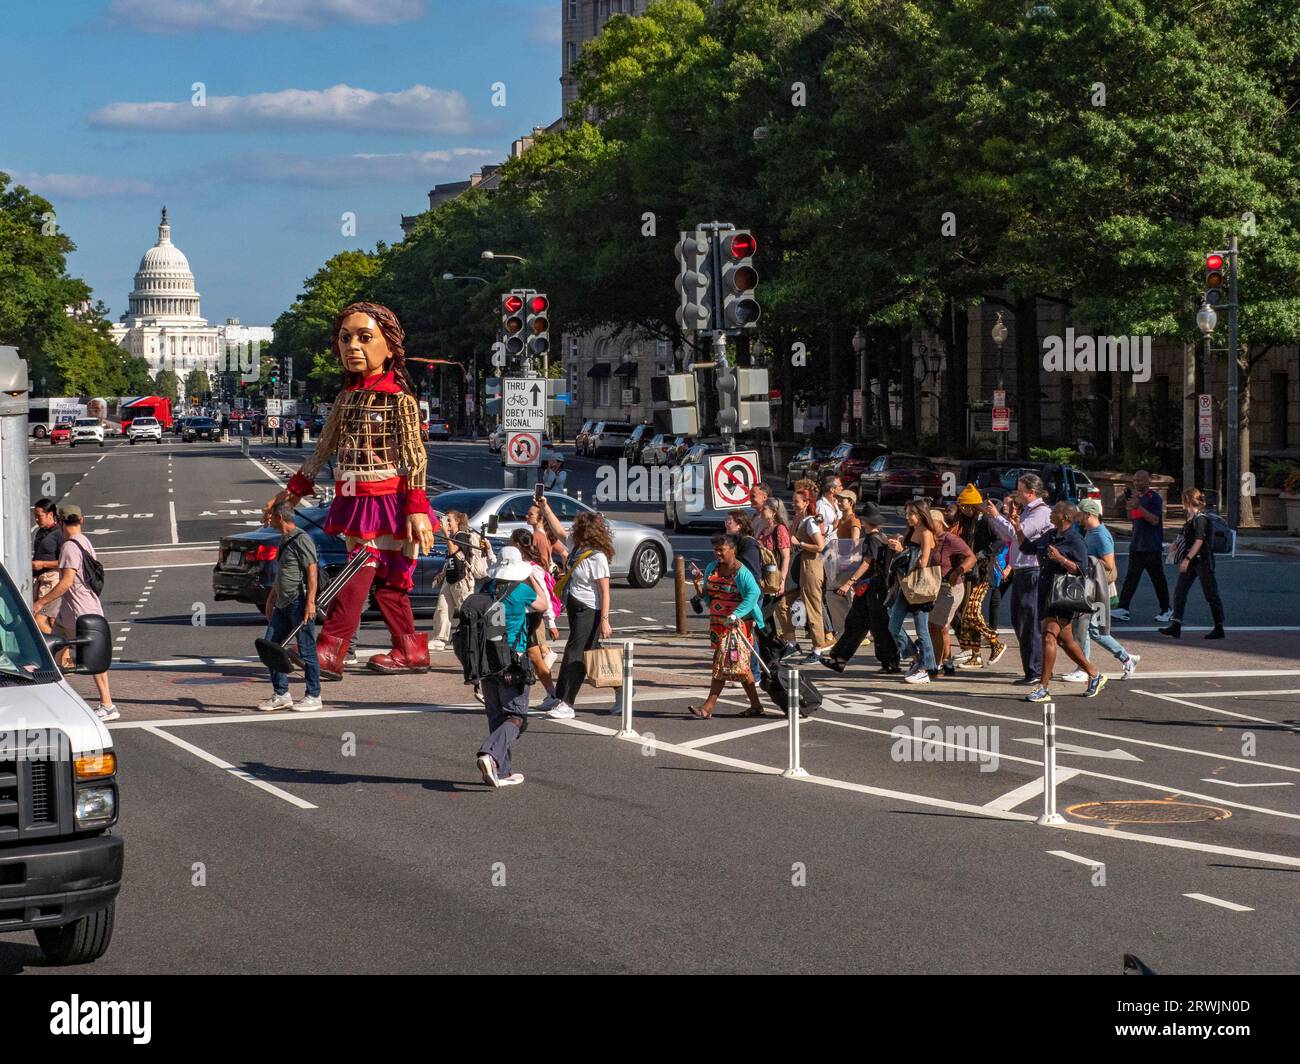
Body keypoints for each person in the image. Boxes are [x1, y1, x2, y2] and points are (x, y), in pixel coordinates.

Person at [265, 302, 439, 679]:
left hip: (389, 500)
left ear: (389, 346)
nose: (352, 347)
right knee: (389, 584)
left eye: (364, 337)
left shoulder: (400, 400)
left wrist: (416, 508)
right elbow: (322, 450)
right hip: (354, 497)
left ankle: (330, 647)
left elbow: (415, 457)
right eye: (345, 338)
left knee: (361, 568)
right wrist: (292, 493)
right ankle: (410, 650)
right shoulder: (345, 398)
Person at [1014, 501, 1106, 702]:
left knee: (1048, 636)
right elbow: (1027, 548)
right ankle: (1094, 673)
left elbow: (1082, 570)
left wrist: (1061, 559)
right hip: (1046, 592)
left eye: (1055, 511)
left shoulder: (1075, 540)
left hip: (1063, 595)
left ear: (1065, 517)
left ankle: (1044, 687)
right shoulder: (1050, 535)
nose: (1051, 513)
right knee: (1066, 641)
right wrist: (1017, 527)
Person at [32, 505, 117, 721]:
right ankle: (54, 700)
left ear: (60, 522)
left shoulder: (69, 547)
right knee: (52, 653)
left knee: (89, 658)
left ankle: (107, 704)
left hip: (79, 612)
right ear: (81, 519)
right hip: (73, 611)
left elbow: (66, 582)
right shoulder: (84, 540)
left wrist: (41, 602)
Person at [476, 546, 549, 788]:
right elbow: (544, 604)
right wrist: (532, 577)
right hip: (512, 660)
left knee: (497, 716)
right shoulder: (521, 590)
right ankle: (490, 754)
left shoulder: (486, 588)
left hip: (486, 660)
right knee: (516, 717)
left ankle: (502, 770)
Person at [536, 504, 614, 719]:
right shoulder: (577, 547)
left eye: (576, 526)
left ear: (585, 531)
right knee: (591, 654)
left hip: (590, 610)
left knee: (575, 654)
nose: (572, 529)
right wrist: (545, 506)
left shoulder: (597, 557)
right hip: (575, 605)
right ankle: (622, 690)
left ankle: (566, 702)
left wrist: (605, 620)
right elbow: (559, 530)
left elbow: (605, 592)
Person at [686, 533, 766, 719]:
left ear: (733, 550)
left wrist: (735, 614)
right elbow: (709, 596)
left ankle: (707, 707)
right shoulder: (712, 568)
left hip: (737, 626)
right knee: (741, 666)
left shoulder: (742, 572)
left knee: (721, 663)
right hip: (717, 624)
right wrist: (698, 585)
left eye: (721, 550)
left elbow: (754, 593)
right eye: (715, 550)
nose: (717, 553)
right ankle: (755, 706)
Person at [984, 474, 1052, 685]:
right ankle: (1030, 669)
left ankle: (1035, 671)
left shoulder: (1041, 513)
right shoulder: (1028, 511)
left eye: (1020, 490)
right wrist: (994, 518)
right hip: (1022, 571)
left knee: (1030, 623)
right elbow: (1009, 535)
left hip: (1032, 570)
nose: (1017, 494)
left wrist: (997, 516)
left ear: (1031, 492)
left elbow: (1018, 534)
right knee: (1019, 621)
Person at [257, 502, 322, 712]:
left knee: (307, 650)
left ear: (280, 518)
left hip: (299, 602)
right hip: (282, 604)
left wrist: (310, 603)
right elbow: (282, 573)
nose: (270, 521)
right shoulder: (284, 539)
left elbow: (312, 573)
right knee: (271, 647)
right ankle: (281, 694)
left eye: (272, 517)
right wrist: (271, 598)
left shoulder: (302, 539)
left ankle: (314, 695)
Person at [822, 501, 900, 673]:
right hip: (872, 588)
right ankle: (841, 658)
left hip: (872, 588)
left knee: (874, 625)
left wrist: (848, 582)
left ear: (865, 521)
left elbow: (867, 563)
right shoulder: (882, 536)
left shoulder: (873, 538)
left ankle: (890, 661)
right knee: (860, 623)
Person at [1065, 498, 1139, 680]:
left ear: (1089, 515)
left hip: (1098, 588)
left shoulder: (1100, 535)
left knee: (1088, 628)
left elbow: (1109, 564)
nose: (1077, 518)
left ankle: (1084, 669)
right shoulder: (1091, 532)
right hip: (1090, 586)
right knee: (1092, 630)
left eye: (1079, 515)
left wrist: (1085, 560)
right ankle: (1125, 658)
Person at [886, 500, 942, 684]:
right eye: (907, 513)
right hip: (906, 584)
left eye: (912, 513)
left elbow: (923, 562)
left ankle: (926, 669)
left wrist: (902, 550)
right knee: (893, 625)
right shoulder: (911, 531)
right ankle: (917, 658)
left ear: (922, 514)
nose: (908, 517)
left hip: (920, 586)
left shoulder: (926, 533)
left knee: (922, 630)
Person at [953, 484, 1007, 670]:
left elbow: (1000, 541)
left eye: (965, 507)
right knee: (966, 614)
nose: (962, 510)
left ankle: (995, 643)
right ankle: (974, 655)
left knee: (972, 612)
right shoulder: (965, 522)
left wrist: (982, 554)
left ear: (973, 507)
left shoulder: (985, 521)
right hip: (969, 572)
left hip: (983, 572)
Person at [1159, 489, 1226, 640]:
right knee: (1180, 591)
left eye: (1183, 500)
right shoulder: (1190, 518)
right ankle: (1176, 625)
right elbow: (1187, 537)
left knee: (1210, 593)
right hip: (1192, 560)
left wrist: (1187, 559)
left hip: (1202, 560)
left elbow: (1199, 541)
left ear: (1188, 501)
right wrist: (1176, 545)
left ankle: (1219, 626)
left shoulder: (1201, 519)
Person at [508, 528, 562, 705]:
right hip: (523, 615)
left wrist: (551, 622)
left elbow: (544, 595)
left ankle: (510, 694)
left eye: (511, 542)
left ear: (516, 544)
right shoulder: (518, 565)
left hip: (528, 616)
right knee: (534, 656)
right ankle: (552, 694)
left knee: (518, 653)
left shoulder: (533, 568)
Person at [1112, 470, 1172, 623]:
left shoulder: (1154, 498)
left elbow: (1155, 520)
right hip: (1137, 545)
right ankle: (1123, 608)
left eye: (1139, 480)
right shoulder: (1137, 499)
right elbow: (1135, 521)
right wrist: (1132, 506)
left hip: (1151, 546)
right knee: (1131, 578)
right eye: (1134, 481)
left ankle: (1166, 609)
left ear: (1147, 481)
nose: (1136, 483)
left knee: (1158, 579)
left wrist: (1139, 507)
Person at [429, 510, 491, 652]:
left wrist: (445, 533)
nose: (447, 523)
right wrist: (441, 574)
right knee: (442, 609)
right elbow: (450, 559)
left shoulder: (461, 536)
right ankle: (440, 639)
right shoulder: (452, 537)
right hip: (450, 578)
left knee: (466, 610)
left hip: (461, 579)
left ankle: (474, 637)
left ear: (457, 521)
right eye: (446, 520)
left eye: (449, 520)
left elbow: (453, 551)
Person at [787, 485, 834, 663]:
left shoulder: (811, 522)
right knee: (785, 603)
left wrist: (799, 543)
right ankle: (792, 643)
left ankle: (817, 649)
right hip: (803, 565)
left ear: (807, 502)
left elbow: (820, 546)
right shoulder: (802, 519)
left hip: (812, 566)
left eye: (796, 502)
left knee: (813, 607)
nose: (793, 504)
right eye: (792, 501)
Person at [929, 508, 974, 677]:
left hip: (952, 588)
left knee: (937, 625)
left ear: (939, 522)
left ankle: (937, 665)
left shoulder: (950, 539)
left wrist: (958, 571)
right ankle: (947, 664)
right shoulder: (929, 537)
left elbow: (971, 557)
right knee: (942, 628)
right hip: (935, 588)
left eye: (930, 521)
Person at [31, 497, 65, 638]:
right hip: (40, 580)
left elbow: (65, 561)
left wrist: (42, 564)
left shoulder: (59, 534)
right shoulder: (40, 532)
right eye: (35, 517)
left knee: (39, 619)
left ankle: (59, 649)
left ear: (50, 514)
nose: (36, 520)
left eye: (39, 516)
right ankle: (63, 657)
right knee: (51, 621)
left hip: (53, 580)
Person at [526, 499, 566, 570]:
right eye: (527, 513)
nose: (526, 516)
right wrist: (567, 572)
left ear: (541, 517)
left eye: (531, 514)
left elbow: (543, 562)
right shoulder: (548, 535)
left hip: (541, 575)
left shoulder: (537, 536)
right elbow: (565, 554)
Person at [724, 510, 763, 582]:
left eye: (729, 522)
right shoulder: (732, 542)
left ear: (739, 526)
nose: (726, 524)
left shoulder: (749, 543)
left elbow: (753, 573)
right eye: (726, 521)